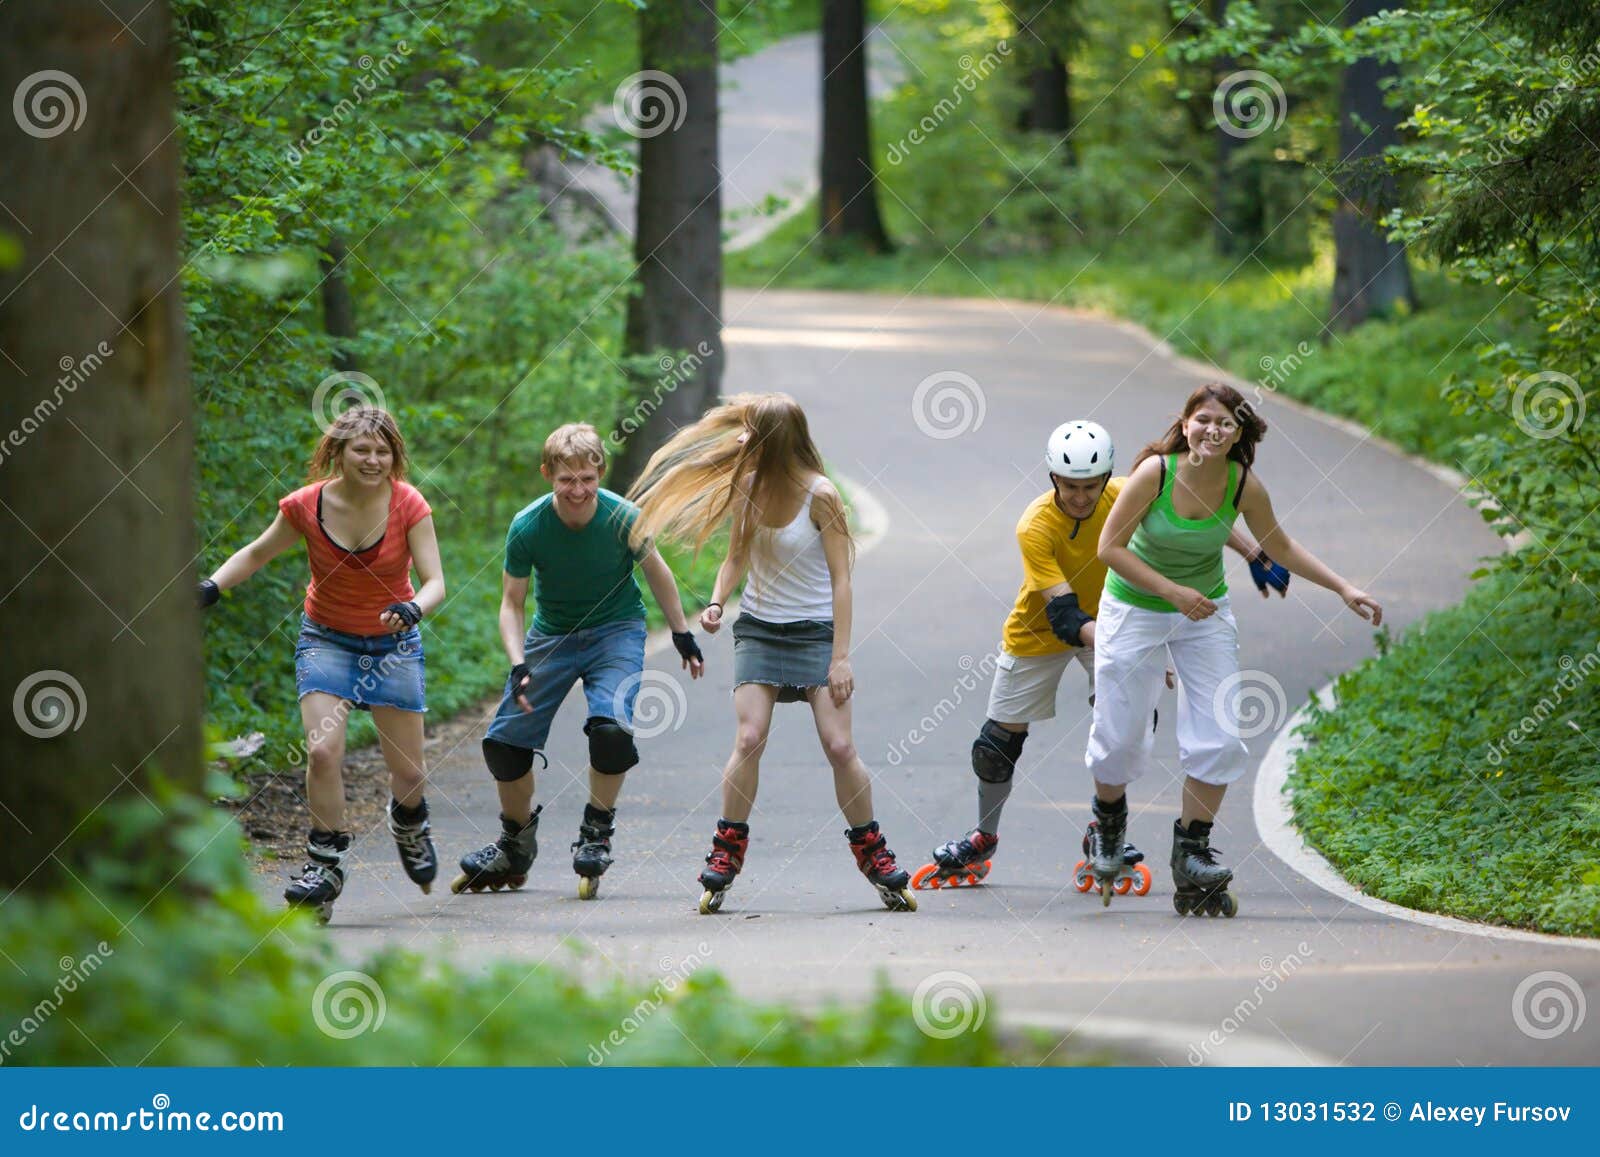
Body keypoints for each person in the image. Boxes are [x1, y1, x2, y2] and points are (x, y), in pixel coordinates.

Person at [912, 420, 1284, 891]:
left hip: (1116, 617)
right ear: (1053, 479)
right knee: (995, 746)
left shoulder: (1128, 492)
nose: (1082, 497)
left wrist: (1254, 552)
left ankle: (1104, 828)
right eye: (1071, 486)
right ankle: (984, 835)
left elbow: (1198, 511)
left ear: (1106, 479)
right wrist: (1132, 650)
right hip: (1046, 630)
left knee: (1124, 720)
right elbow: (1066, 615)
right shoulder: (1036, 524)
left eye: (1091, 486)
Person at [1087, 383, 1381, 915]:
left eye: (1226, 424)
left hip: (1205, 613)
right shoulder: (1155, 473)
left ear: (1239, 434)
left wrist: (1343, 587)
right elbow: (1108, 548)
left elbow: (1282, 546)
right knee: (1120, 732)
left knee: (1221, 733)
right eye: (1204, 419)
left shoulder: (1242, 484)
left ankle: (1192, 851)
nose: (1213, 430)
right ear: (1185, 423)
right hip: (1135, 606)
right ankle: (1107, 827)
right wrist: (1172, 593)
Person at [626, 393, 917, 915]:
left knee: (839, 746)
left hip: (815, 634)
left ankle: (872, 849)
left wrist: (841, 656)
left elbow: (842, 579)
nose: (746, 448)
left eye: (756, 440)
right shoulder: (749, 484)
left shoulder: (822, 496)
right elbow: (735, 556)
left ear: (777, 446)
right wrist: (716, 603)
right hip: (760, 629)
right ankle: (727, 847)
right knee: (750, 735)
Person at [198, 406, 445, 922]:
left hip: (393, 643)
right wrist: (212, 586)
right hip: (326, 639)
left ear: (394, 456)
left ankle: (409, 822)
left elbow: (435, 581)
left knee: (409, 772)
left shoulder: (408, 504)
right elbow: (258, 553)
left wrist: (413, 608)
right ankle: (324, 863)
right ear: (338, 452)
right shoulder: (306, 506)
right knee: (323, 752)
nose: (373, 460)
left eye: (383, 451)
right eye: (362, 450)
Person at [452, 423, 704, 901]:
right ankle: (515, 844)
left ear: (600, 473)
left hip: (616, 631)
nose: (578, 491)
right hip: (552, 635)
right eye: (566, 480)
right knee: (505, 746)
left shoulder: (623, 516)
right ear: (547, 473)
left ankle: (596, 831)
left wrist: (680, 632)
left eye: (587, 479)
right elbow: (511, 603)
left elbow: (657, 572)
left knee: (610, 731)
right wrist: (517, 660)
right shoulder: (528, 525)